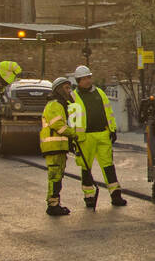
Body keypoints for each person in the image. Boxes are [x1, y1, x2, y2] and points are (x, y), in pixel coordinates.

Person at [68, 64, 127, 208]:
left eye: (89, 77)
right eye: (84, 78)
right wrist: (71, 138)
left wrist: (112, 130)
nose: (88, 81)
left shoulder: (100, 93)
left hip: (102, 134)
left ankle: (115, 195)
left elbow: (109, 113)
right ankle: (89, 196)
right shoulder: (73, 97)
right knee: (86, 168)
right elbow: (71, 119)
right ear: (78, 81)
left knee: (108, 165)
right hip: (84, 138)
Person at [40, 77, 76, 217]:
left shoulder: (61, 104)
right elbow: (58, 125)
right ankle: (52, 205)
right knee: (55, 176)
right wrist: (74, 134)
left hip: (59, 146)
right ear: (59, 89)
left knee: (57, 176)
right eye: (66, 88)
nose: (69, 91)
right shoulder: (55, 105)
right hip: (53, 145)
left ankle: (55, 202)